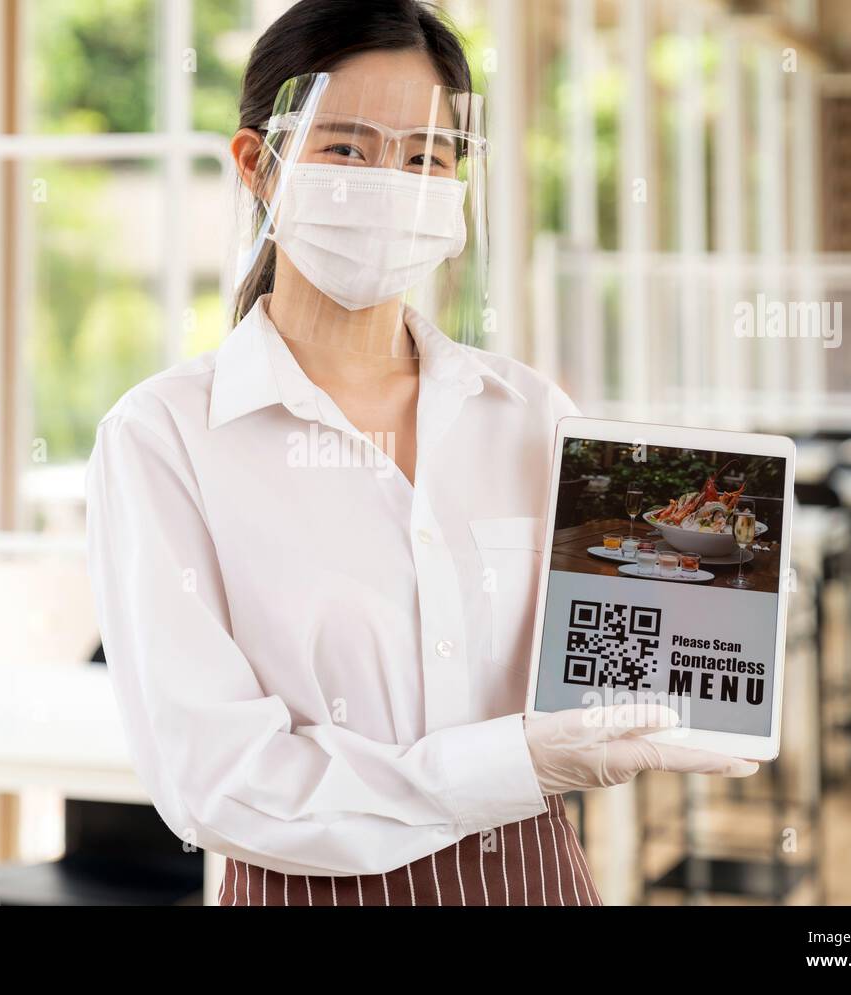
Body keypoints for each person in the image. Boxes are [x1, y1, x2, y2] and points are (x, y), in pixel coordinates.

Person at [85, 0, 757, 907]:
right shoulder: (164, 438)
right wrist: (510, 761)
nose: (389, 182)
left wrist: (715, 614)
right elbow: (219, 780)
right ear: (257, 165)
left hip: (536, 881)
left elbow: (617, 657)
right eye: (348, 149)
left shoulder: (529, 416)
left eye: (424, 158)